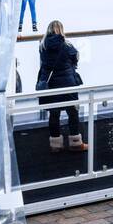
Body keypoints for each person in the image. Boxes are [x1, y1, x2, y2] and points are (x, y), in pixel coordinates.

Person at [38, 21, 86, 153]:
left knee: (54, 114)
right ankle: (75, 143)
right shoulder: (66, 45)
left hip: (51, 84)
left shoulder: (43, 46)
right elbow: (75, 56)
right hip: (67, 84)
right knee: (73, 112)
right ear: (61, 30)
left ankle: (55, 145)